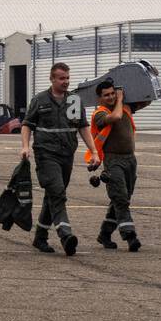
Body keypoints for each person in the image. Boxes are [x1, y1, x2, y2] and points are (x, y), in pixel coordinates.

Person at [21, 62, 100, 255]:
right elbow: (27, 124)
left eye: (67, 78)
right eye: (61, 78)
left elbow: (82, 127)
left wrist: (94, 151)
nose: (65, 82)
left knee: (53, 195)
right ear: (52, 79)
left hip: (66, 155)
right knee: (57, 192)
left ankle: (40, 237)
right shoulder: (40, 100)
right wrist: (25, 146)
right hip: (46, 154)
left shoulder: (74, 100)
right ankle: (66, 235)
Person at [86, 80, 142, 251]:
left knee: (122, 199)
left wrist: (148, 78)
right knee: (120, 198)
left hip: (130, 160)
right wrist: (120, 99)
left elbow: (147, 100)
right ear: (100, 98)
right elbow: (115, 117)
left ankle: (105, 233)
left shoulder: (126, 107)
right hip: (113, 161)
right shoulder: (100, 114)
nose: (110, 97)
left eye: (112, 93)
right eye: (106, 95)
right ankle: (130, 236)